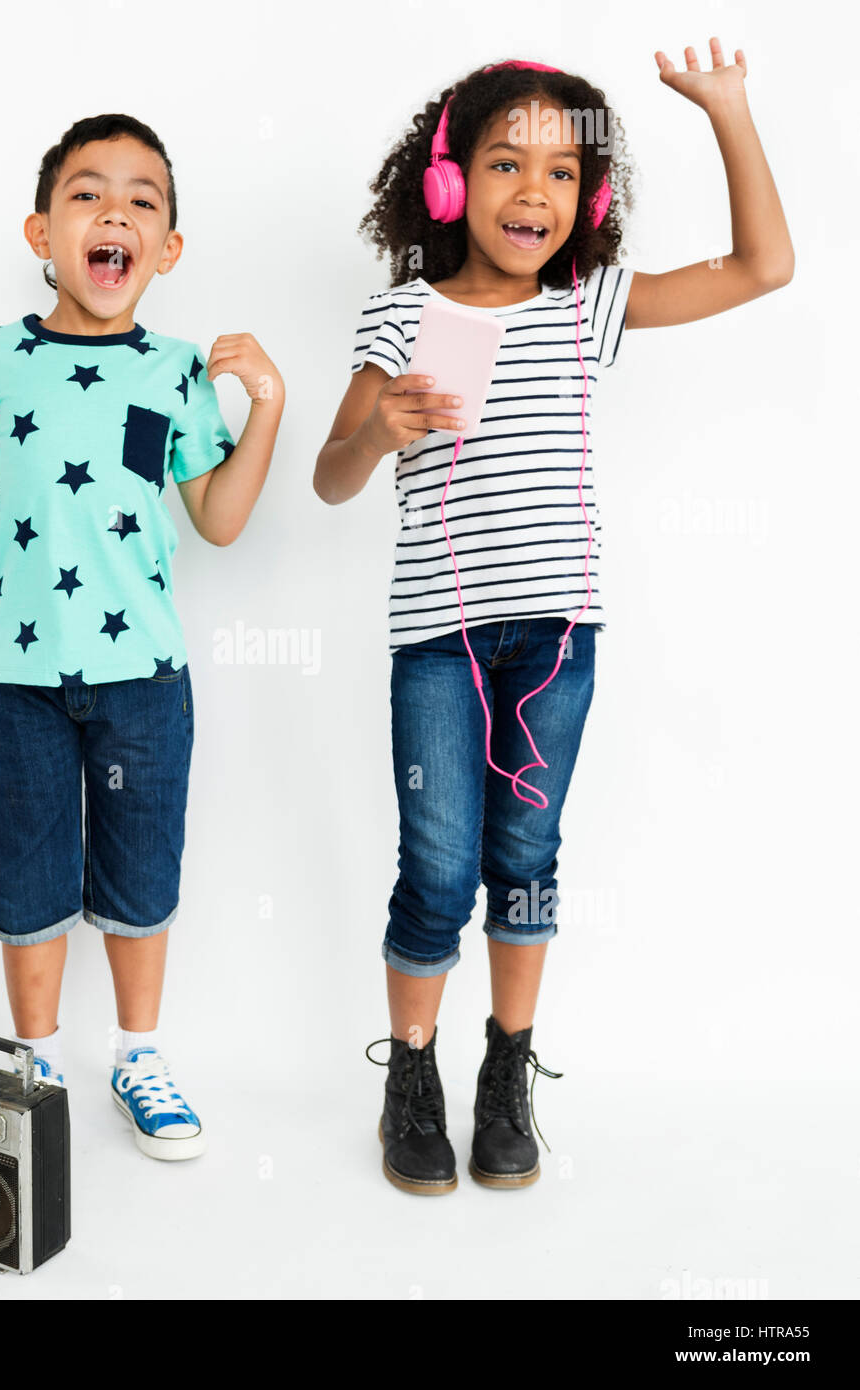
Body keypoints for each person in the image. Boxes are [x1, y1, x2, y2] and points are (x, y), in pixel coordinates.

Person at [314, 42, 792, 1193]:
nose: (532, 191)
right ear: (447, 185)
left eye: (562, 173)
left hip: (557, 642)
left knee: (523, 858)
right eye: (502, 164)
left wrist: (726, 111)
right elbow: (330, 476)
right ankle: (409, 1077)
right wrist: (381, 430)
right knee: (434, 869)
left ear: (591, 200)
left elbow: (761, 267)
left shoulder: (587, 308)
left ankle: (506, 1067)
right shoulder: (398, 317)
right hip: (438, 644)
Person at [0, 113, 284, 1161]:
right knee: (26, 874)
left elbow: (216, 517)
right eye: (87, 193)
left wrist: (266, 405)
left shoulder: (172, 370)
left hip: (142, 681)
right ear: (41, 232)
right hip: (23, 678)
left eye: (142, 198)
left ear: (166, 251)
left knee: (138, 868)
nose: (113, 210)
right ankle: (34, 1063)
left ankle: (137, 1052)